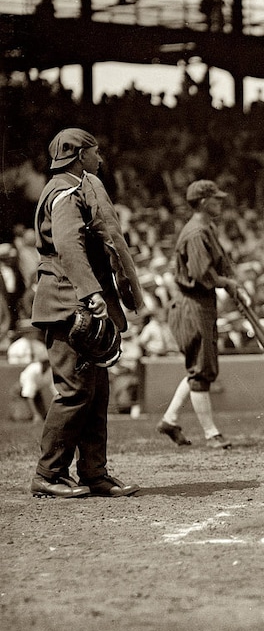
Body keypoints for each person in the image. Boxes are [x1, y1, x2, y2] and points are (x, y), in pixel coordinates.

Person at [29, 127, 144, 498]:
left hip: (73, 297)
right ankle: (48, 474)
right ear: (81, 155)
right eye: (95, 152)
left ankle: (94, 473)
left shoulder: (73, 185)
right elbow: (68, 245)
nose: (100, 159)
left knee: (96, 392)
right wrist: (91, 291)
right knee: (75, 391)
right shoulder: (65, 190)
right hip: (66, 298)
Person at [156, 179, 240, 450]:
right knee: (201, 369)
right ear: (203, 202)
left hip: (200, 303)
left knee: (200, 368)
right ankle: (211, 433)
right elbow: (202, 273)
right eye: (216, 199)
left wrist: (231, 282)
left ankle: (169, 420)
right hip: (192, 304)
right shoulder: (195, 231)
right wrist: (227, 284)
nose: (220, 203)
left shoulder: (206, 228)